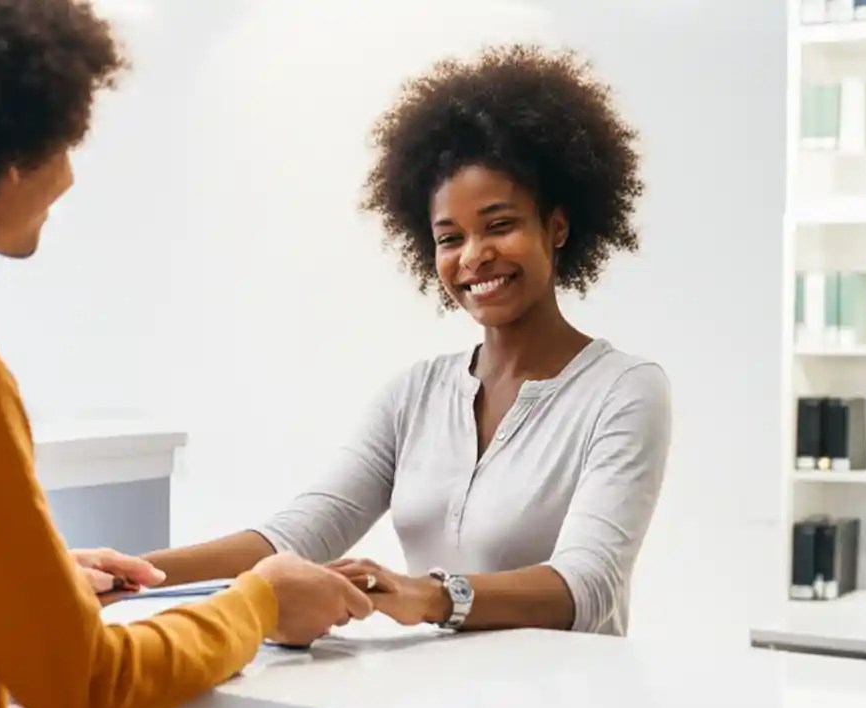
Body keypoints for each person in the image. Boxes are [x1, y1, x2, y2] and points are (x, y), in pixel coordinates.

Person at [0, 2, 371, 708]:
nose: (69, 179)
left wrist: (36, 579)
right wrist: (259, 603)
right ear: (6, 165)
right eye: (62, 145)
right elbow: (87, 683)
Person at [145, 45, 671, 637]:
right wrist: (130, 575)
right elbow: (296, 534)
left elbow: (587, 584)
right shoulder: (415, 395)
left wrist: (430, 595)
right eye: (450, 238)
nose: (474, 256)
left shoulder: (624, 390)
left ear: (556, 226)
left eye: (500, 225)